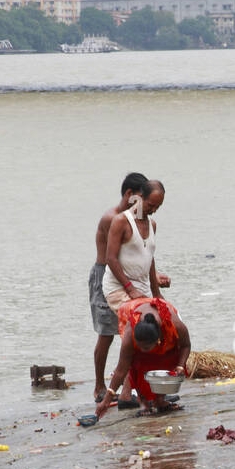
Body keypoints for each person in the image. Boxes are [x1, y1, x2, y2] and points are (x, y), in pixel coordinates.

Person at [92, 176, 170, 404]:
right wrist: (130, 288)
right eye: (150, 205)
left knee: (154, 328)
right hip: (118, 286)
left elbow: (149, 258)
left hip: (143, 286)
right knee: (132, 328)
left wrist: (156, 293)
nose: (153, 210)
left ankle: (136, 390)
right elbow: (111, 259)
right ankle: (120, 391)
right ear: (138, 198)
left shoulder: (152, 225)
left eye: (158, 207)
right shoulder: (120, 222)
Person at [95, 296, 190, 419]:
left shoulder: (174, 324)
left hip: (161, 319)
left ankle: (159, 400)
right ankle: (144, 403)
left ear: (158, 340)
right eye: (139, 346)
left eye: (145, 348)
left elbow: (186, 345)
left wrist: (180, 366)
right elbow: (121, 370)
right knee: (138, 363)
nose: (142, 350)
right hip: (131, 308)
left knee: (168, 358)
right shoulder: (130, 334)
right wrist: (106, 402)